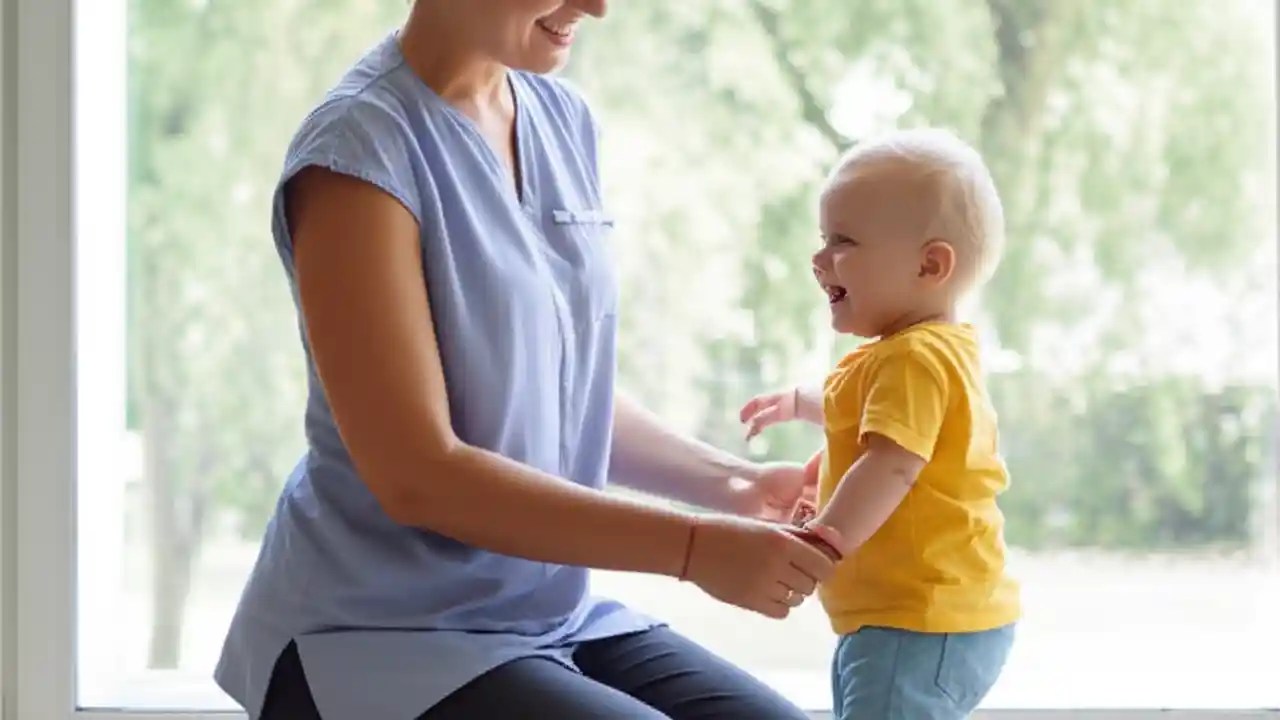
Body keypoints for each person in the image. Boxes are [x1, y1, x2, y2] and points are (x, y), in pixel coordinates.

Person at [214, 1, 837, 718]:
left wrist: (737, 487)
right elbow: (419, 476)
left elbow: (556, 391)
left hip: (549, 618)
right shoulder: (357, 155)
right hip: (377, 633)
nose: (597, 6)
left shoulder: (560, 118)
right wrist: (693, 549)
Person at [740, 129, 1022, 719]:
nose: (818, 260)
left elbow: (892, 462)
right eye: (822, 239)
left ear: (930, 264)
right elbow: (858, 405)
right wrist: (797, 401)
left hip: (919, 619)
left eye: (842, 242)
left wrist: (823, 538)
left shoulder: (914, 358)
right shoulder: (914, 353)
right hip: (914, 618)